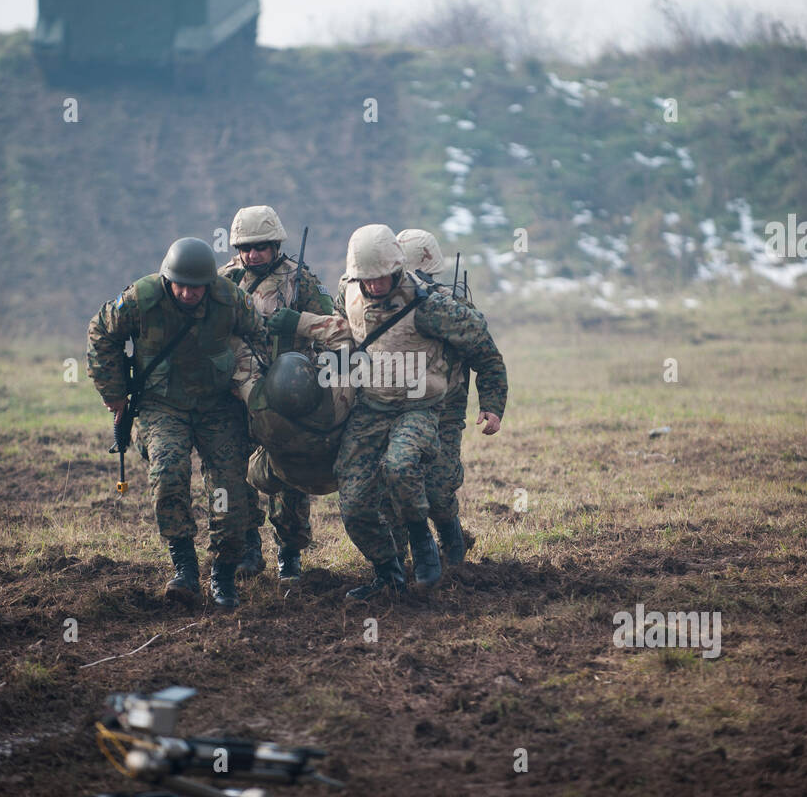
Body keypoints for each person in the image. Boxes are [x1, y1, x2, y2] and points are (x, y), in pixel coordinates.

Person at [307, 224, 507, 600]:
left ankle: (431, 540)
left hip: (426, 404)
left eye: (383, 277)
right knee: (356, 501)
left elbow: (482, 344)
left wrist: (492, 403)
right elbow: (341, 331)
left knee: (411, 473)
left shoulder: (431, 304)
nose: (376, 285)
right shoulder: (349, 292)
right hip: (372, 405)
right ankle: (390, 572)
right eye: (368, 279)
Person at [86, 236, 266, 609]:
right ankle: (184, 566)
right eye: (180, 285)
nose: (187, 293)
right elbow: (101, 332)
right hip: (161, 404)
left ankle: (223, 573)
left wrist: (249, 383)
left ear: (208, 285)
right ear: (168, 279)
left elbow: (261, 336)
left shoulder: (230, 299)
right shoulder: (142, 298)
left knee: (230, 491)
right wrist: (114, 393)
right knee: (168, 474)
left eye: (195, 287)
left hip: (218, 405)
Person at [219, 205, 334, 585]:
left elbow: (332, 329)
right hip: (235, 393)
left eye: (261, 247)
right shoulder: (223, 281)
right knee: (234, 474)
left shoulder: (300, 282)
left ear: (276, 245)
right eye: (246, 248)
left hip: (286, 396)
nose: (252, 255)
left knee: (286, 473)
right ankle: (247, 547)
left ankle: (290, 551)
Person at [394, 228, 503, 564]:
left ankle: (452, 541)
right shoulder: (382, 304)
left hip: (444, 413)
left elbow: (486, 357)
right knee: (394, 485)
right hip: (395, 410)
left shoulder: (450, 309)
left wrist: (492, 405)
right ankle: (396, 563)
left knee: (438, 490)